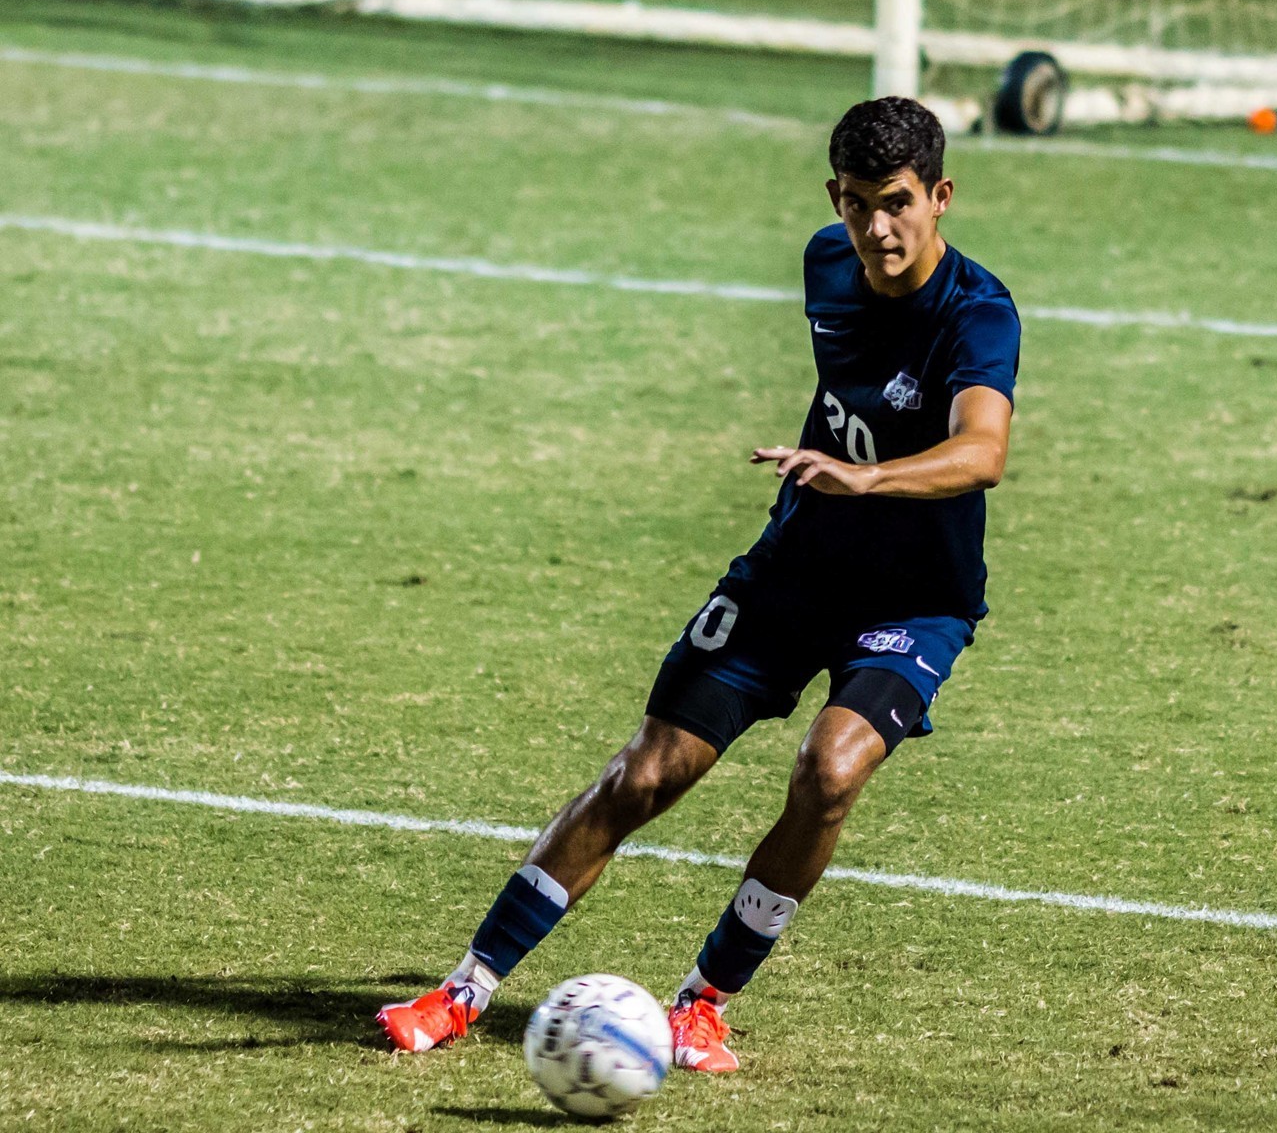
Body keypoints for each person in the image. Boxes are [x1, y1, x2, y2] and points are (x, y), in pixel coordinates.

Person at [378, 95, 1021, 1071]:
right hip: (796, 569)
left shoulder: (977, 313)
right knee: (643, 773)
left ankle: (704, 1000)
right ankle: (462, 990)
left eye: (896, 203)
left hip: (914, 598)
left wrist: (868, 475)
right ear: (833, 198)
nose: (876, 230)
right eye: (855, 204)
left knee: (830, 771)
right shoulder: (824, 263)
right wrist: (833, 485)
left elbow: (983, 450)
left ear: (940, 195)